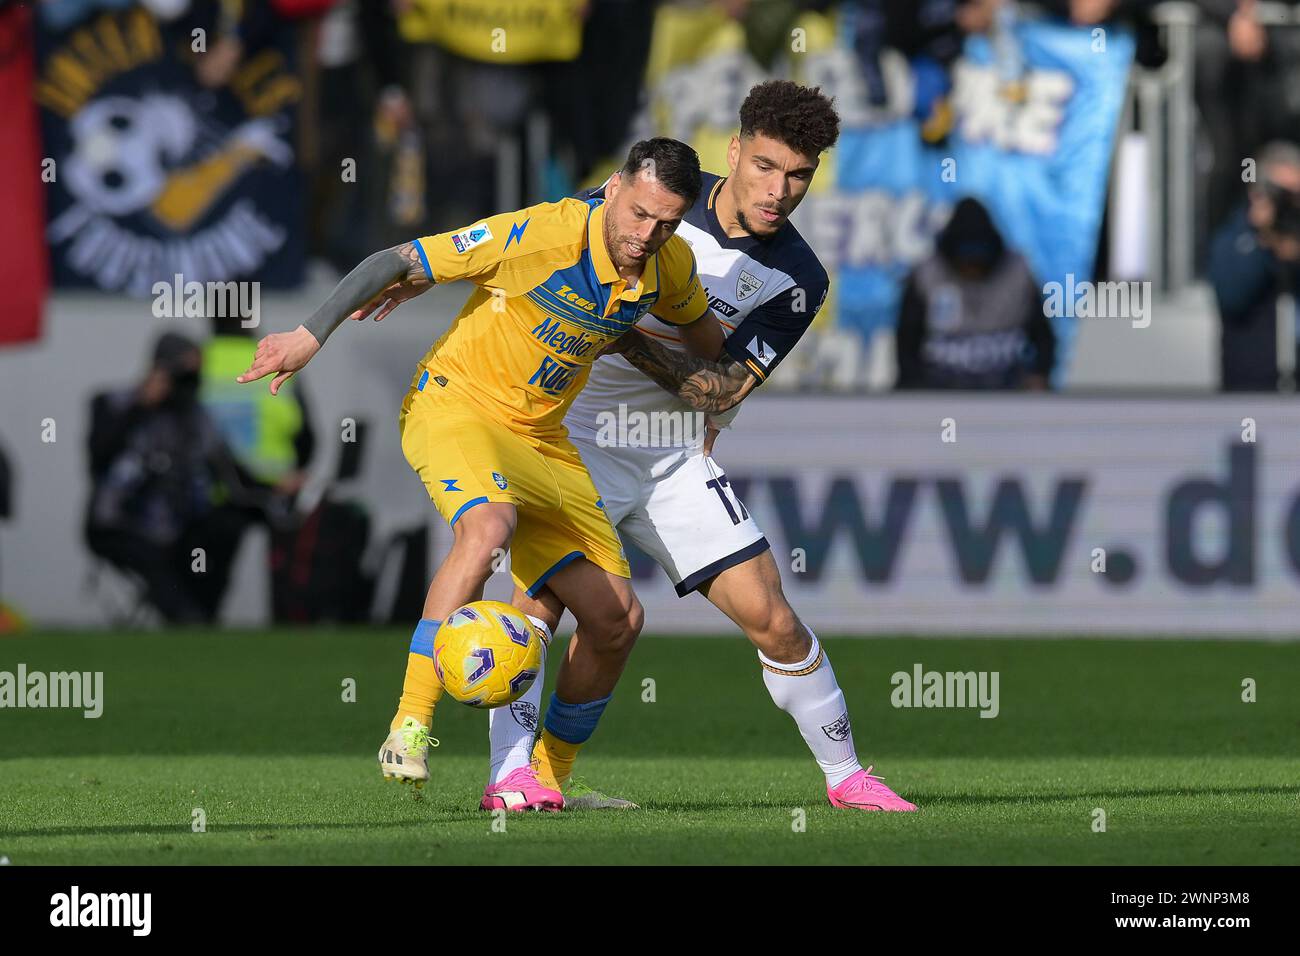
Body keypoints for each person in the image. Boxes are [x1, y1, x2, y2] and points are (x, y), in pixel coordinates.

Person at [235, 138, 734, 809]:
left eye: (667, 223)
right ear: (614, 188)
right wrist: (309, 335)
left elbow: (703, 333)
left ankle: (541, 782)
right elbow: (396, 259)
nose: (647, 235)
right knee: (488, 527)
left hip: (542, 439)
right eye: (640, 214)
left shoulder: (666, 264)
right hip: (456, 407)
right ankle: (410, 724)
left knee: (617, 621)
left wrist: (724, 381)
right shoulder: (537, 234)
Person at [490, 80, 917, 813]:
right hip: (572, 436)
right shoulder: (655, 198)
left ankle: (847, 777)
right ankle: (512, 780)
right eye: (765, 166)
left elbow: (721, 391)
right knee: (544, 611)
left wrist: (622, 331)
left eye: (798, 176)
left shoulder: (797, 278)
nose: (779, 190)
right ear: (734, 152)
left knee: (774, 619)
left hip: (670, 457)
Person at [85, 333, 257, 623]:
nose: (189, 384)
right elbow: (97, 459)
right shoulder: (113, 404)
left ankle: (205, 616)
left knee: (226, 526)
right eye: (182, 375)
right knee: (153, 561)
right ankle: (186, 618)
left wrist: (275, 485)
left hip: (179, 522)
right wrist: (140, 407)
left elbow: (230, 471)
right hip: (120, 523)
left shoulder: (197, 417)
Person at [895, 196, 1055, 390]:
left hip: (1007, 395)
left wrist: (1038, 375)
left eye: (979, 259)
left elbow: (1044, 338)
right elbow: (906, 345)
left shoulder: (1017, 274)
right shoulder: (927, 275)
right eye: (966, 259)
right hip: (940, 395)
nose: (972, 267)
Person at [1209, 140, 1300, 391]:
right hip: (1250, 396)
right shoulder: (1237, 238)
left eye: (1294, 197)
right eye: (1282, 195)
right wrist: (1264, 244)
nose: (1288, 206)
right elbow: (1231, 297)